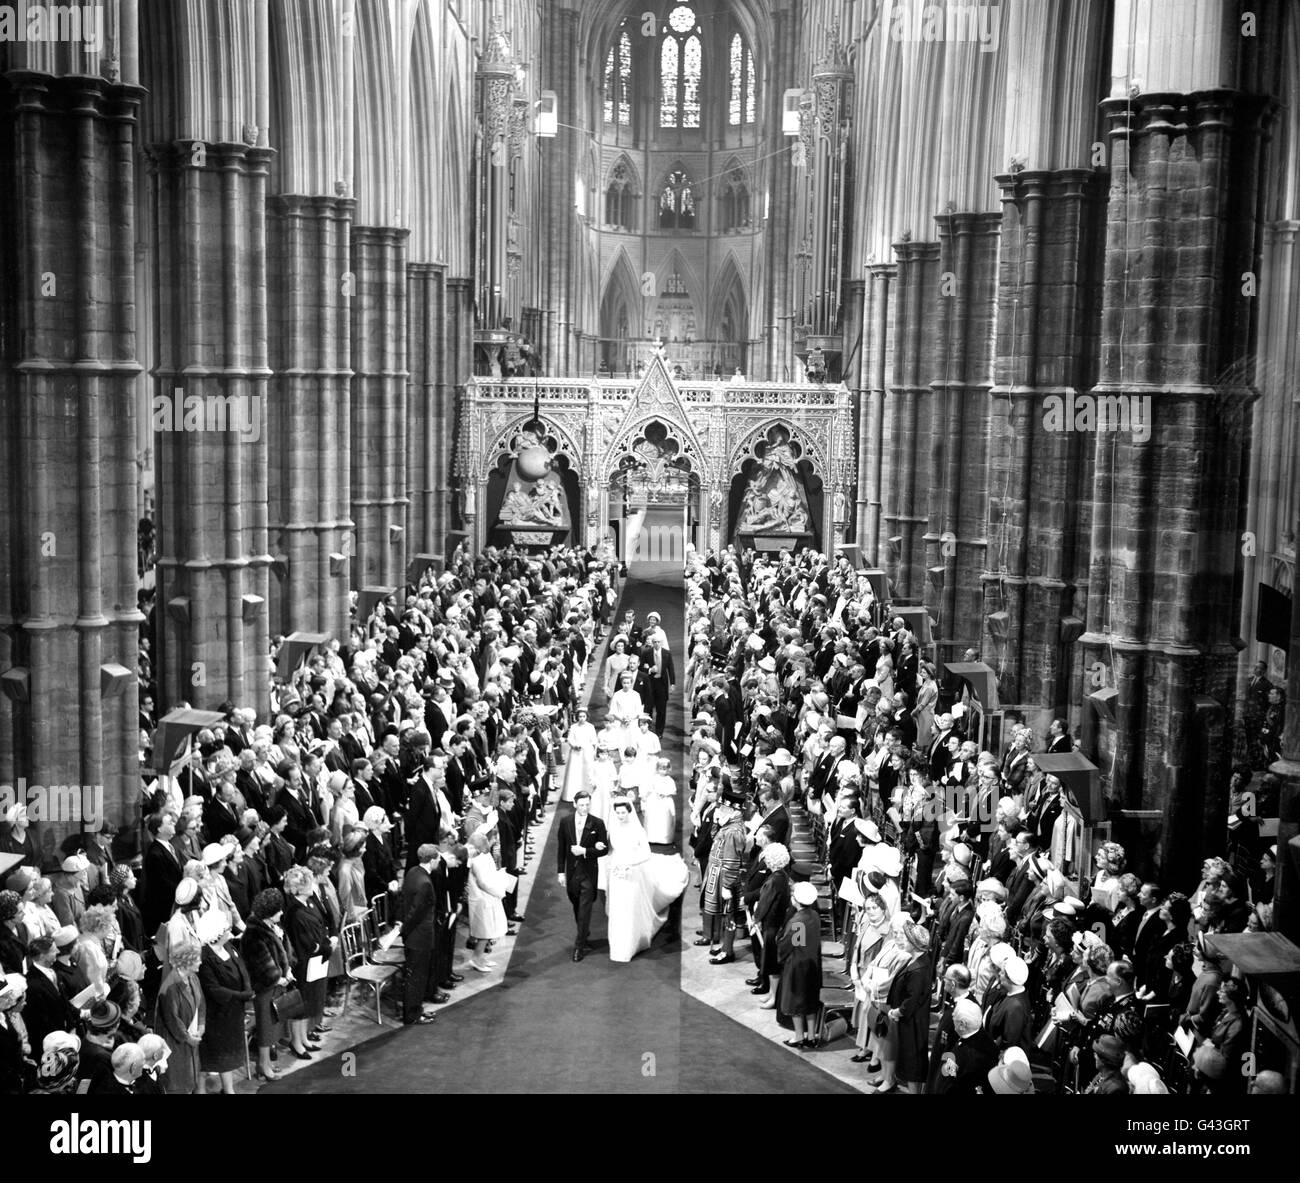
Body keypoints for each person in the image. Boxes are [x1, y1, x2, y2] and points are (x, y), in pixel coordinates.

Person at [604, 797, 689, 963]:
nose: (620, 816)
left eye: (623, 812)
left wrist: (630, 864)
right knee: (617, 910)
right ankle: (617, 947)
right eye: (618, 813)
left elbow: (646, 853)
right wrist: (613, 865)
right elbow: (612, 851)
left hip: (633, 874)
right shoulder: (613, 829)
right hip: (617, 874)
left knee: (630, 909)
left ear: (629, 812)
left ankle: (630, 945)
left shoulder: (638, 831)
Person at [196, 908, 253, 1094]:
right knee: (210, 1058)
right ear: (217, 934)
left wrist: (246, 989)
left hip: (233, 1013)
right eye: (227, 928)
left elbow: (241, 968)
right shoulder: (205, 957)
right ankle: (201, 1091)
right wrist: (242, 996)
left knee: (226, 1057)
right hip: (216, 1016)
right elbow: (214, 990)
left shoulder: (229, 947)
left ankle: (229, 1090)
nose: (230, 931)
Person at [241, 888, 294, 1081]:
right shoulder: (253, 934)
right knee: (265, 1027)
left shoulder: (270, 928)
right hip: (263, 988)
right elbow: (262, 967)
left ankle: (267, 1063)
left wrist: (285, 972)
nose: (281, 913)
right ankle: (263, 1066)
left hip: (275, 985)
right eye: (278, 910)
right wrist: (279, 977)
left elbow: (281, 954)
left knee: (272, 1026)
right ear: (269, 912)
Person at [555, 790, 610, 962]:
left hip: (588, 872)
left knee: (585, 908)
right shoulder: (565, 822)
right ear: (574, 804)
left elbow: (605, 849)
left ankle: (579, 946)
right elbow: (561, 848)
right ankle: (584, 933)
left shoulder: (597, 823)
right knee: (576, 904)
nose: (585, 808)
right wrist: (560, 872)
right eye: (581, 805)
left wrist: (585, 851)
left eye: (587, 804)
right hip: (572, 872)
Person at [776, 880, 822, 1049]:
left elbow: (789, 944)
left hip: (797, 966)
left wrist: (779, 950)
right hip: (813, 965)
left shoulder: (797, 921)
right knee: (810, 1002)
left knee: (795, 1003)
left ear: (795, 900)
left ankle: (798, 1036)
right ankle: (811, 1036)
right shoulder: (815, 916)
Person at [156, 938, 204, 1095]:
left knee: (190, 1081)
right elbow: (173, 1020)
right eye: (197, 958)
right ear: (186, 961)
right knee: (179, 1085)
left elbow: (201, 1003)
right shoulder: (170, 987)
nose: (201, 962)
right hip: (176, 1045)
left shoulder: (193, 978)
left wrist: (201, 1025)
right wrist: (188, 1038)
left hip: (191, 1039)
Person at [400, 844, 441, 1024]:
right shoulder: (425, 883)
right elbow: (415, 914)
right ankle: (412, 1014)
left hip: (413, 936)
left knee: (415, 976)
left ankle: (416, 1009)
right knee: (416, 977)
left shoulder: (412, 872)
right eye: (438, 859)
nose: (439, 862)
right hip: (419, 937)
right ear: (432, 860)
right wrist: (403, 930)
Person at [465, 830, 514, 972]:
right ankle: (476, 959)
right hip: (483, 899)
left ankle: (480, 958)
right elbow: (483, 883)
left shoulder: (481, 857)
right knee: (484, 933)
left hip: (488, 897)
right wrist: (499, 892)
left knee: (488, 931)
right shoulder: (476, 860)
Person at [642, 756, 677, 845]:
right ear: (657, 769)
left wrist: (665, 793)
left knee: (664, 818)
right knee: (653, 817)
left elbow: (673, 790)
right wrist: (645, 796)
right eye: (660, 769)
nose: (662, 771)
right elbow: (650, 788)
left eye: (664, 769)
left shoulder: (669, 780)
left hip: (665, 801)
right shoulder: (654, 778)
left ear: (668, 769)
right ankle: (651, 837)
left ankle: (664, 838)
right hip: (654, 800)